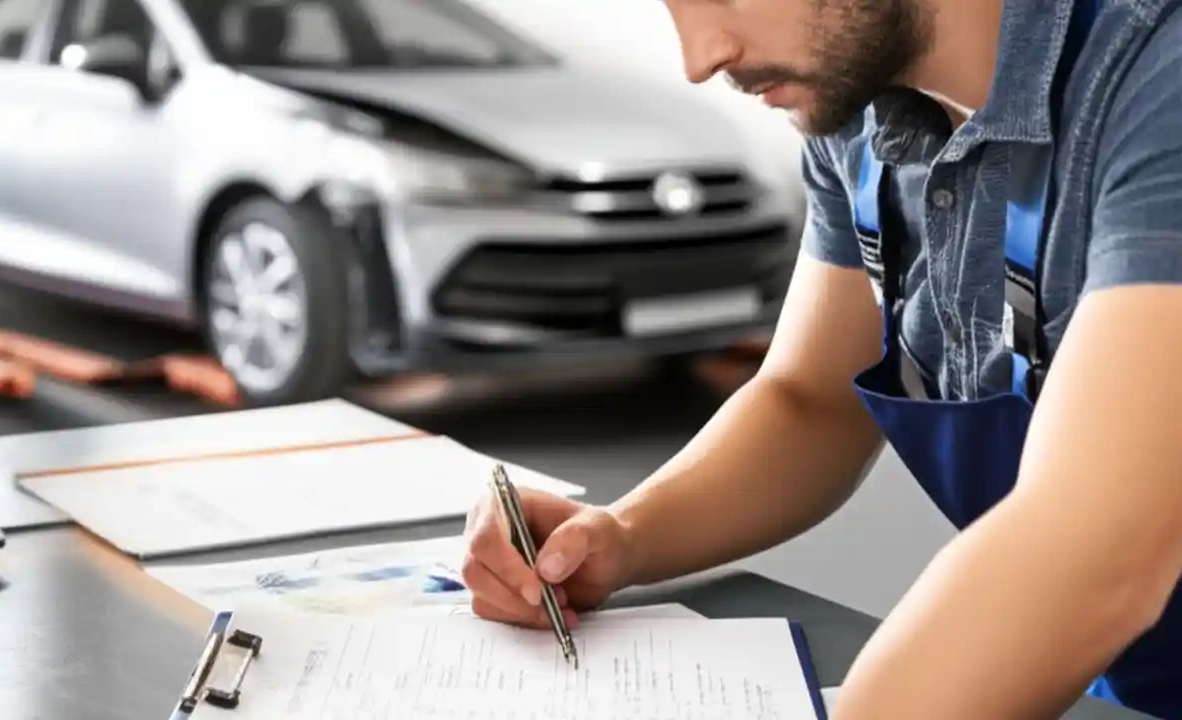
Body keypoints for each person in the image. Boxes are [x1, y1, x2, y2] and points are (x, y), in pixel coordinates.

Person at [461, 0, 1182, 717]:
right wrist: (625, 537)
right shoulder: (858, 102)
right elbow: (811, 399)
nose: (701, 57)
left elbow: (1100, 553)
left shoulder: (1159, 76)